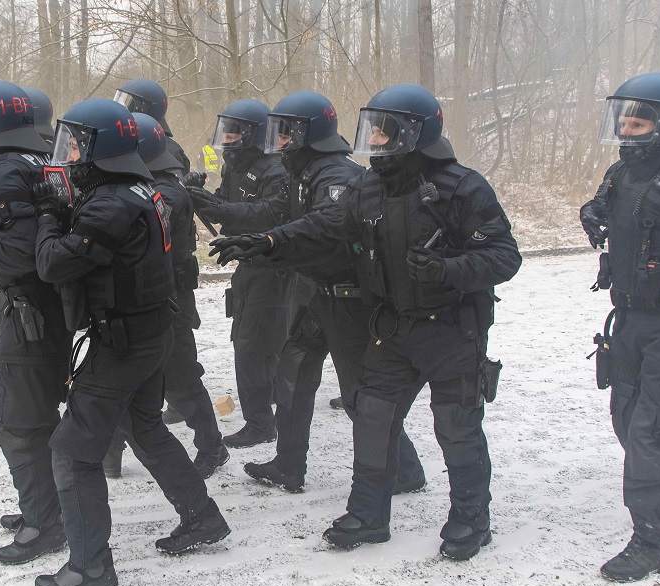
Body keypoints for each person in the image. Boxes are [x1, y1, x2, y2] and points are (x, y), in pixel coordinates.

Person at [32, 99, 230, 586]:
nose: (71, 151)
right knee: (144, 427)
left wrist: (49, 215)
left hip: (122, 343)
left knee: (72, 453)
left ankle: (90, 567)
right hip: (148, 334)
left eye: (78, 142)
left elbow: (54, 264)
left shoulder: (112, 203)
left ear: (103, 148)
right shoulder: (143, 190)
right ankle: (202, 516)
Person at [314, 84, 520, 560]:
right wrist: (269, 243)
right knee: (372, 418)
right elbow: (327, 227)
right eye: (374, 133)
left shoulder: (462, 186)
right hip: (392, 326)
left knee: (456, 426)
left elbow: (504, 256)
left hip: (451, 327)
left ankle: (471, 519)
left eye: (385, 134)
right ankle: (368, 515)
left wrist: (448, 269)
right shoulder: (369, 186)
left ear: (415, 134)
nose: (377, 142)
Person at [207, 91, 427, 493]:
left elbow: (326, 224)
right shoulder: (300, 173)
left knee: (359, 394)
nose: (279, 142)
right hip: (314, 294)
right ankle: (289, 466)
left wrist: (271, 241)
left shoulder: (336, 174)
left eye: (286, 133)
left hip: (348, 302)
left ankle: (406, 472)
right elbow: (278, 218)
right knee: (292, 375)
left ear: (309, 134)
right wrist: (250, 233)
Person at [0, 80, 72, 565]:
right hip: (54, 307)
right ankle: (47, 506)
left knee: (20, 424)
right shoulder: (42, 159)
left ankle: (45, 524)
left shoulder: (4, 170)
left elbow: (19, 256)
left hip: (31, 312)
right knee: (35, 416)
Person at [580, 72, 660, 581]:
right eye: (624, 119)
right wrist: (592, 213)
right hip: (628, 317)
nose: (628, 129)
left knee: (653, 430)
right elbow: (605, 202)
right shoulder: (624, 171)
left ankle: (650, 542)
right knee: (625, 415)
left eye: (639, 120)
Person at [102, 112, 229, 480]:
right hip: (142, 300)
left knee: (180, 380)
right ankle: (110, 454)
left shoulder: (166, 192)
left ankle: (212, 447)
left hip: (169, 300)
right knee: (123, 381)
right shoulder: (146, 185)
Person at [185, 98, 296, 449]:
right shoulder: (235, 166)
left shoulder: (277, 170)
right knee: (255, 341)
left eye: (234, 132)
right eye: (225, 131)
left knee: (251, 347)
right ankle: (272, 402)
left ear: (254, 134)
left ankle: (261, 423)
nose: (227, 138)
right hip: (247, 264)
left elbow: (270, 213)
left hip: (275, 269)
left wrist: (217, 206)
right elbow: (224, 205)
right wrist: (196, 192)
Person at [114, 78, 191, 175]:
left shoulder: (166, 150)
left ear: (144, 109)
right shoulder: (126, 142)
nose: (120, 110)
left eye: (128, 104)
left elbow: (170, 187)